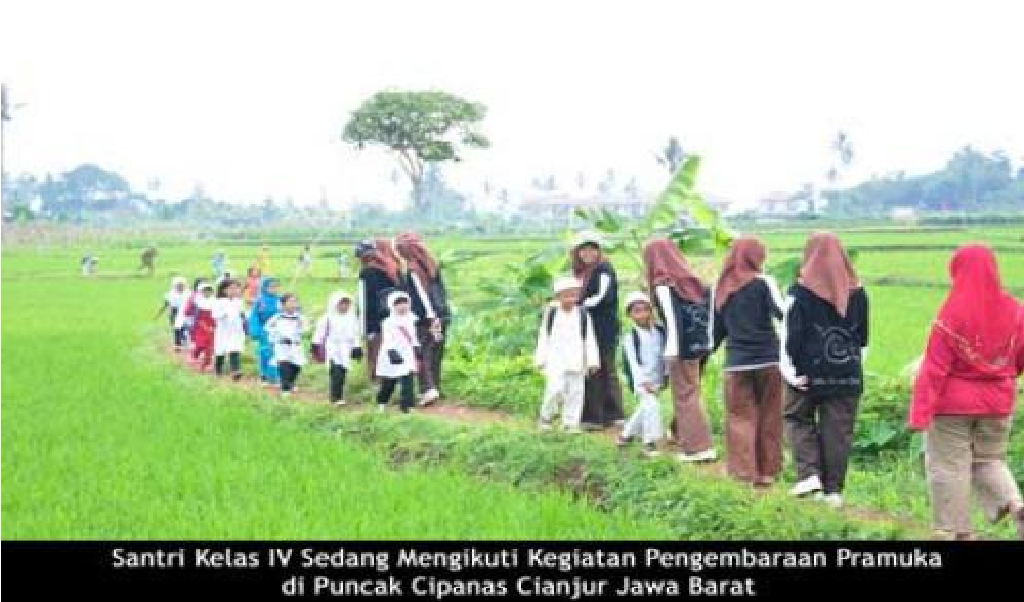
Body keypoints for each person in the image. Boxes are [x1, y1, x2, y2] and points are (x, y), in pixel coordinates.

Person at [909, 244, 1024, 540]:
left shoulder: (952, 313)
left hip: (952, 406)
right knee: (990, 459)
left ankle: (955, 531)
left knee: (949, 465)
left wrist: (920, 412)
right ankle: (1016, 503)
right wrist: (1002, 378)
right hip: (999, 402)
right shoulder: (1016, 310)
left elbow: (934, 368)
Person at [780, 232, 869, 508]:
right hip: (847, 373)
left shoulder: (799, 294)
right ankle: (834, 491)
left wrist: (792, 373)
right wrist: (851, 369)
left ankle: (809, 475)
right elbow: (863, 339)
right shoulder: (859, 293)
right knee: (838, 431)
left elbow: (788, 338)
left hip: (807, 373)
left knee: (797, 417)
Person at [712, 236, 786, 487]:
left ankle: (744, 473)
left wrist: (703, 355)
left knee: (740, 418)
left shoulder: (721, 286)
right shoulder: (764, 282)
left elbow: (716, 329)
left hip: (737, 363)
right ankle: (768, 472)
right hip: (768, 360)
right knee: (770, 415)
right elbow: (783, 313)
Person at [643, 238, 716, 462]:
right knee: (693, 393)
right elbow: (710, 316)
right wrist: (709, 343)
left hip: (681, 348)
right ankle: (681, 434)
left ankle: (698, 448)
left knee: (685, 396)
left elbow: (673, 321)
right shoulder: (698, 283)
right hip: (701, 346)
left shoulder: (664, 285)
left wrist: (671, 352)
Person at [571, 231, 625, 430]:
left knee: (604, 369)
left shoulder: (603, 269)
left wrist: (579, 305)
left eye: (591, 249)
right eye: (583, 249)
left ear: (598, 251)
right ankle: (597, 415)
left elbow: (602, 296)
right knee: (594, 368)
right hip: (588, 328)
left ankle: (608, 415)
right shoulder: (582, 272)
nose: (587, 253)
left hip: (603, 328)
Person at [535, 276, 600, 433]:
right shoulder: (551, 313)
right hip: (555, 359)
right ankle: (546, 417)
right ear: (558, 296)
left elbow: (589, 338)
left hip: (577, 359)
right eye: (567, 295)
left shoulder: (583, 314)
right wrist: (541, 358)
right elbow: (544, 336)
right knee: (554, 389)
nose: (571, 298)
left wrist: (592, 361)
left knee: (576, 392)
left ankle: (570, 423)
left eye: (574, 294)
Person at [394, 232, 451, 406]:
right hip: (443, 313)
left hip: (426, 318)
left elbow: (422, 294)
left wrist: (431, 316)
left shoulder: (413, 270)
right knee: (436, 351)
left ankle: (428, 389)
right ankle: (436, 387)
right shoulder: (431, 264)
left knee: (423, 353)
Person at [617, 291, 668, 457]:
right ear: (630, 315)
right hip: (641, 381)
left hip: (657, 378)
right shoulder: (630, 338)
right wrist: (644, 382)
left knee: (645, 408)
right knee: (652, 406)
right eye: (637, 311)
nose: (642, 314)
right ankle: (649, 443)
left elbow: (665, 355)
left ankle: (625, 435)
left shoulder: (660, 332)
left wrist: (666, 376)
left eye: (645, 309)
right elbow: (633, 364)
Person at [355, 239, 403, 382]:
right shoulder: (393, 268)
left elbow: (366, 302)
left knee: (375, 351)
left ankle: (377, 380)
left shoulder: (368, 272)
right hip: (394, 316)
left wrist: (364, 326)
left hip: (375, 320)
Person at [312, 291, 361, 406]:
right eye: (341, 303)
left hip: (346, 348)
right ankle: (335, 398)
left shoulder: (352, 318)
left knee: (343, 371)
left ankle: (339, 395)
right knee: (336, 371)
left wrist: (357, 347)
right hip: (332, 347)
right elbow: (319, 333)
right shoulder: (327, 318)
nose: (344, 306)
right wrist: (315, 345)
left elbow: (355, 333)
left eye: (346, 303)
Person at [375, 291, 420, 413]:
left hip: (407, 353)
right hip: (392, 354)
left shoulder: (412, 318)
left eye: (404, 302)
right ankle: (382, 402)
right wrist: (391, 352)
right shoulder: (388, 322)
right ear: (392, 305)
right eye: (398, 303)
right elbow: (387, 338)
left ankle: (407, 407)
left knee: (408, 379)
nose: (402, 306)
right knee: (390, 381)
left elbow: (413, 336)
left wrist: (417, 347)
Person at [266, 293, 308, 396]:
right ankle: (285, 389)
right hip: (281, 345)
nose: (293, 304)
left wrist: (301, 327)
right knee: (284, 365)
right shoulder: (277, 317)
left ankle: (290, 382)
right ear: (283, 304)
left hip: (295, 345)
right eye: (290, 301)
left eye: (295, 301)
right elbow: (269, 328)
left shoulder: (300, 318)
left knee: (296, 366)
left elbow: (305, 330)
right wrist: (274, 338)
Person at [249, 277, 282, 386]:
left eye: (276, 286)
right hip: (264, 331)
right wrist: (255, 330)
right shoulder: (260, 300)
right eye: (271, 286)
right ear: (265, 287)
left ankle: (276, 375)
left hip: (278, 331)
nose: (274, 289)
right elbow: (254, 316)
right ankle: (264, 375)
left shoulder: (280, 300)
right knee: (265, 352)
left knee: (278, 353)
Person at [213, 278, 246, 380]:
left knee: (234, 349)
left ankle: (235, 371)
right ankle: (218, 370)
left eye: (236, 288)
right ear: (224, 290)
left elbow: (242, 314)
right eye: (231, 288)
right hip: (224, 331)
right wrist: (225, 314)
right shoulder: (219, 302)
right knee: (220, 352)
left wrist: (243, 318)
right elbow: (215, 315)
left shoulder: (239, 302)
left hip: (236, 330)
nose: (234, 291)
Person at [155, 276, 189, 350]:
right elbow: (165, 305)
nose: (180, 287)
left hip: (185, 312)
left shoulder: (188, 294)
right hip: (174, 312)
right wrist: (158, 314)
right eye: (178, 285)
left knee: (184, 328)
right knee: (177, 328)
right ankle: (177, 345)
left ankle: (184, 338)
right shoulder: (170, 295)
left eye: (182, 285)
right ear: (175, 286)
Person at [190, 282, 216, 371]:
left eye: (209, 291)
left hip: (212, 327)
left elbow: (216, 315)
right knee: (200, 345)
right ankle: (195, 355)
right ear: (201, 292)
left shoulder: (214, 301)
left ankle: (205, 365)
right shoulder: (199, 302)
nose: (207, 293)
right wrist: (204, 326)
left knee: (209, 348)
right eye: (205, 291)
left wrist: (214, 326)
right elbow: (197, 318)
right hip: (201, 328)